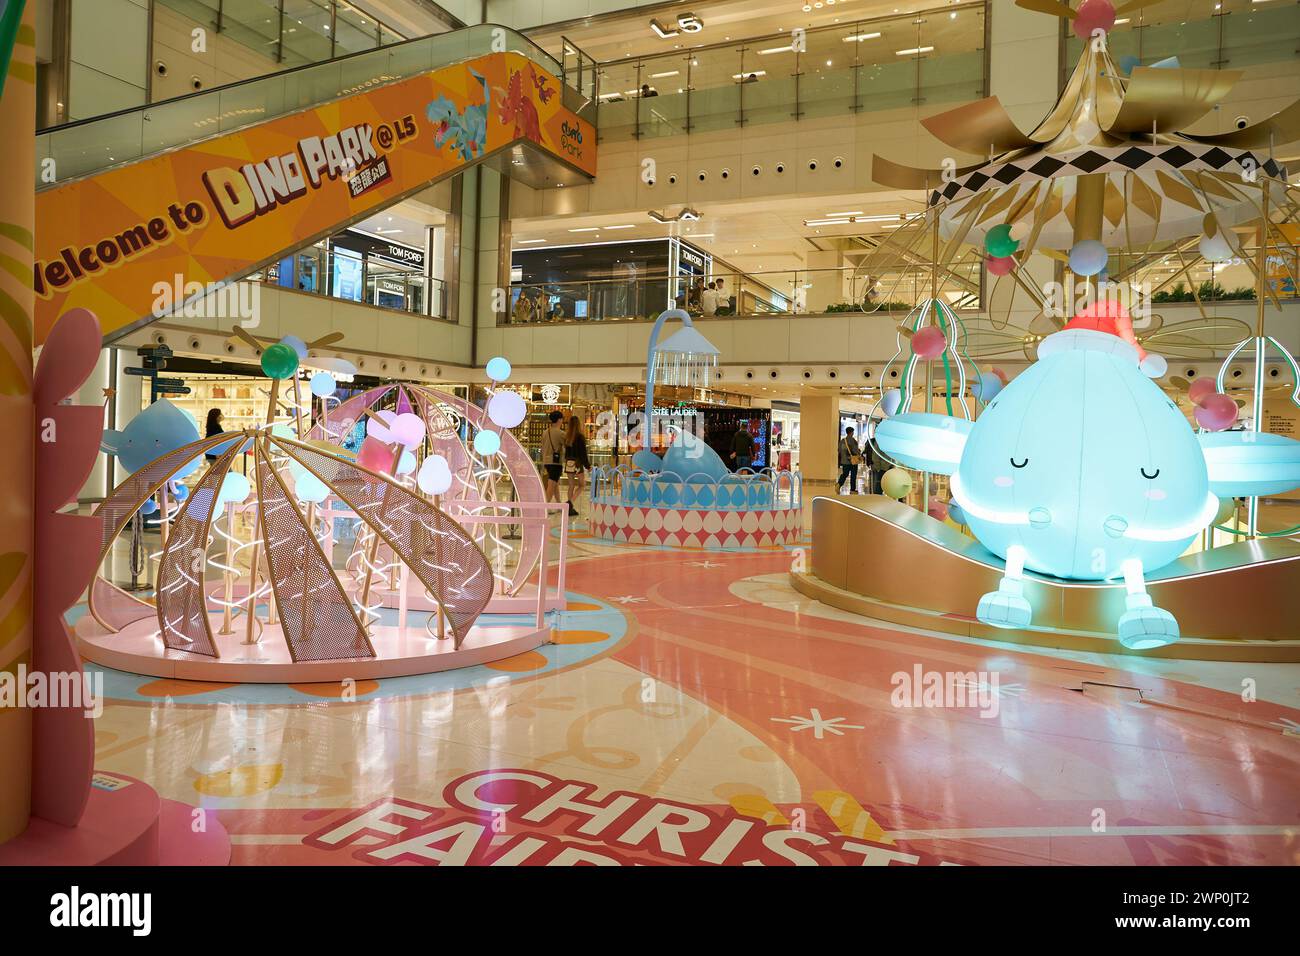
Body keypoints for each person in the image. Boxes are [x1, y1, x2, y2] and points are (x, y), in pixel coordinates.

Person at [564, 414, 591, 518]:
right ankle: (570, 502)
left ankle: (569, 507)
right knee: (582, 485)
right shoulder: (580, 437)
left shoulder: (567, 437)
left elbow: (566, 453)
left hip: (568, 463)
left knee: (571, 485)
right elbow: (583, 453)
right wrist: (588, 466)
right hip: (577, 463)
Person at [540, 409, 567, 504]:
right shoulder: (561, 433)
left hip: (547, 462)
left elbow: (542, 447)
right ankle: (546, 506)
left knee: (555, 483)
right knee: (551, 485)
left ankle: (559, 503)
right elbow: (567, 445)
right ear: (559, 420)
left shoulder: (545, 432)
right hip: (555, 462)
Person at [838, 427, 862, 494]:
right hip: (853, 461)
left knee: (845, 474)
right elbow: (855, 451)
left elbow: (839, 450)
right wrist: (859, 452)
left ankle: (839, 484)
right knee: (853, 475)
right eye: (853, 432)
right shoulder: (853, 440)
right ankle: (852, 490)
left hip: (844, 461)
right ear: (851, 432)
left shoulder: (842, 441)